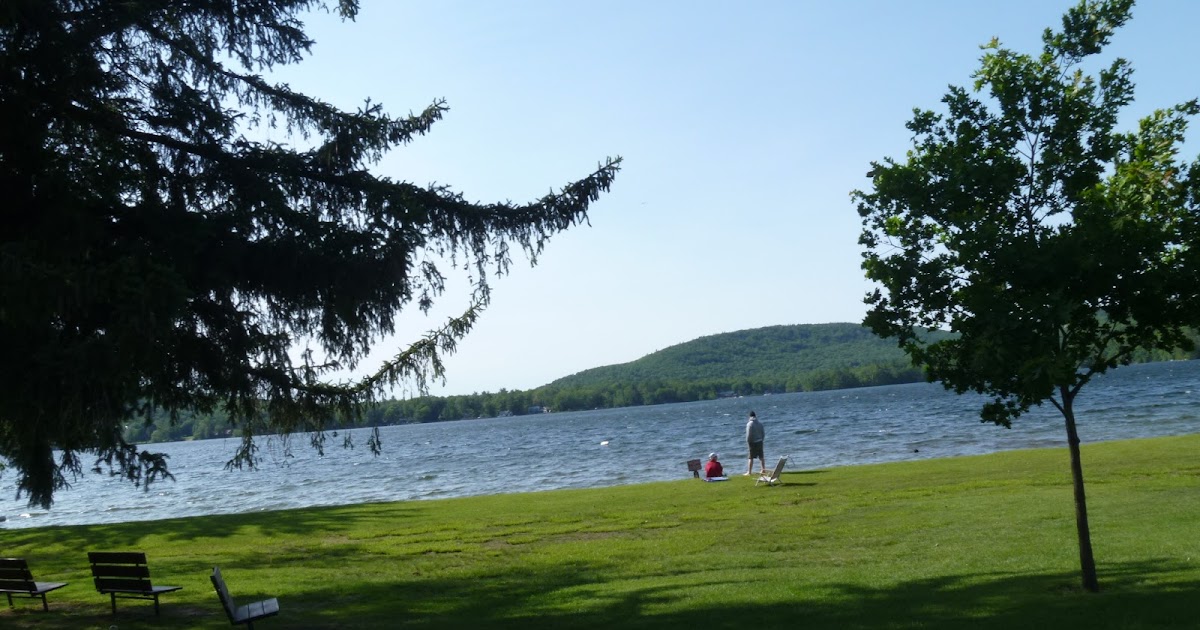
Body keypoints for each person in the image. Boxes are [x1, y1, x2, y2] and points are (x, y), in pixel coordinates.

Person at [745, 411, 766, 475]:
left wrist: (748, 441)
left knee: (750, 457)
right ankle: (763, 469)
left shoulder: (749, 424)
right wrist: (761, 439)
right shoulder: (760, 423)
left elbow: (749, 434)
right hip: (760, 441)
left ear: (749, 416)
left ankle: (749, 472)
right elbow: (763, 433)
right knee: (761, 456)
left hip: (752, 442)